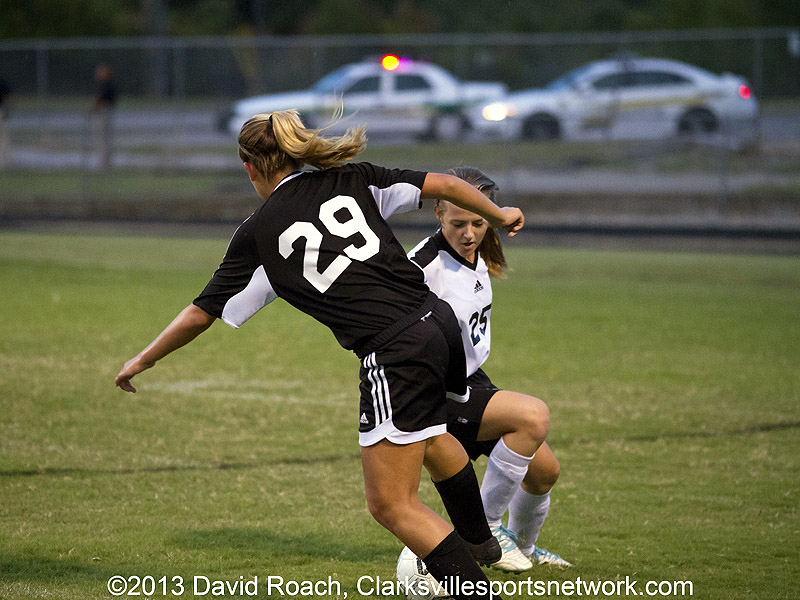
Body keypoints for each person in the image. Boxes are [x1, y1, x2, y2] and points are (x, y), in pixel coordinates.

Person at [115, 110, 524, 600]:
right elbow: (442, 183)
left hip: (394, 351)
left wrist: (144, 358)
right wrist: (500, 216)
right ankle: (480, 543)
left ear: (250, 169)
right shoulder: (350, 177)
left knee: (392, 506)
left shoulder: (259, 232)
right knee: (433, 438)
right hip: (437, 324)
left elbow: (202, 312)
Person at [408, 166, 571, 572]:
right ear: (438, 215)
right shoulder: (421, 267)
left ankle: (525, 550)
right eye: (457, 222)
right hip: (439, 393)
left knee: (544, 473)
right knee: (532, 417)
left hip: (473, 381)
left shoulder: (479, 253)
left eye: (478, 222)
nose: (468, 233)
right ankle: (484, 529)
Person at [91, 64, 118, 169]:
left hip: (104, 113)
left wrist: (94, 107)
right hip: (105, 112)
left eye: (100, 72)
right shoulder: (104, 84)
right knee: (103, 139)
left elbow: (102, 100)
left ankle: (104, 164)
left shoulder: (107, 85)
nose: (98, 74)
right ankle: (105, 162)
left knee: (103, 139)